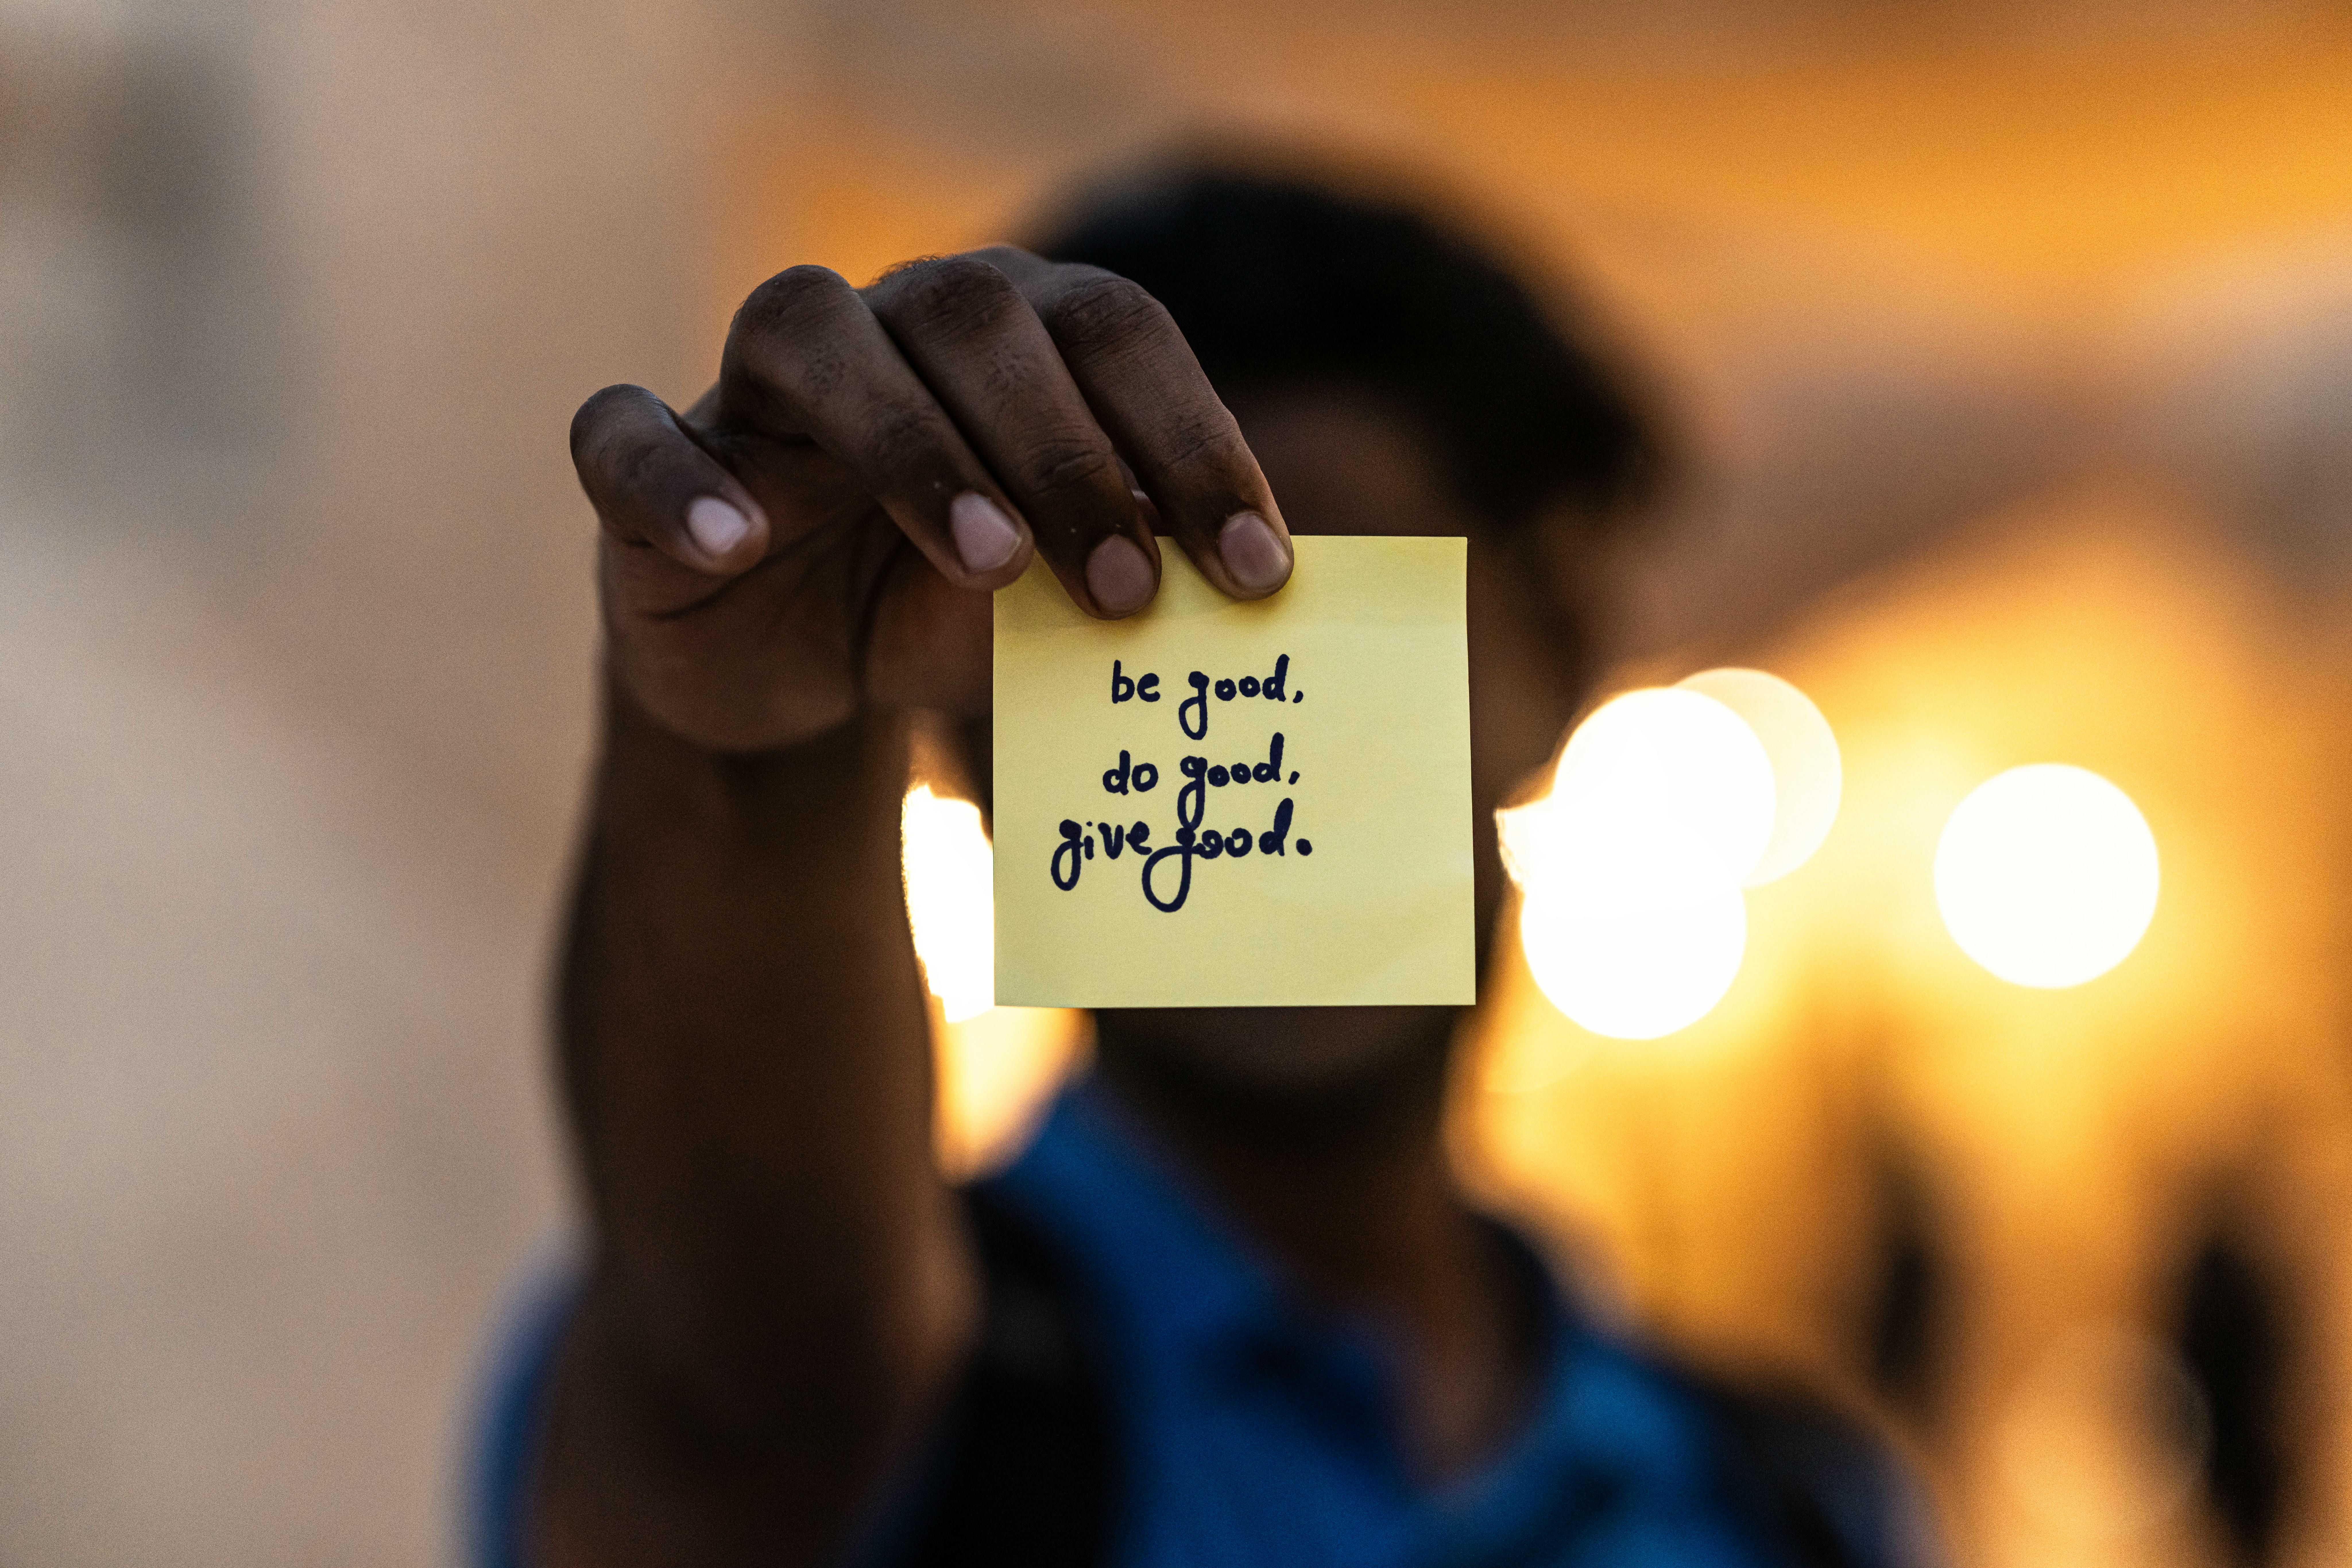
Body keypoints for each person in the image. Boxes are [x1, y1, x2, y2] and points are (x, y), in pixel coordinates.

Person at [473, 163, 1930, 1568]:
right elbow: (752, 1377)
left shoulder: (1776, 1495)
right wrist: (754, 753)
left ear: (1550, 657)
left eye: (1330, 601)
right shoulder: (884, 1408)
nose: (1243, 705)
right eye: (1116, 617)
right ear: (963, 720)